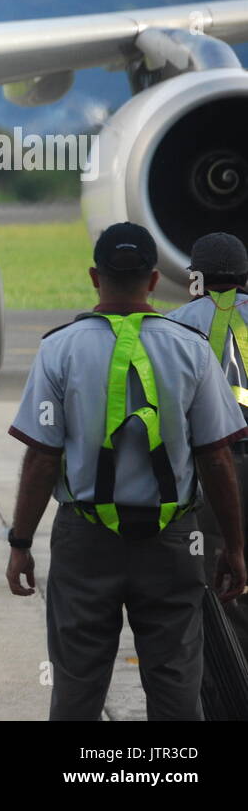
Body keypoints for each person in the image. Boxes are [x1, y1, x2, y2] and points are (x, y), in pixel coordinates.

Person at [5, 222, 247, 720]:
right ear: (155, 280)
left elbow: (42, 457)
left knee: (76, 679)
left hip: (85, 538)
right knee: (177, 677)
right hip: (172, 537)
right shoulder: (190, 348)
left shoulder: (59, 348)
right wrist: (233, 545)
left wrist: (20, 542)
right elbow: (216, 456)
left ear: (95, 277)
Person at [166, 232, 248, 650]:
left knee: (214, 575)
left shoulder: (174, 324)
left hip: (210, 467)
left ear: (196, 277)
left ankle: (222, 679)